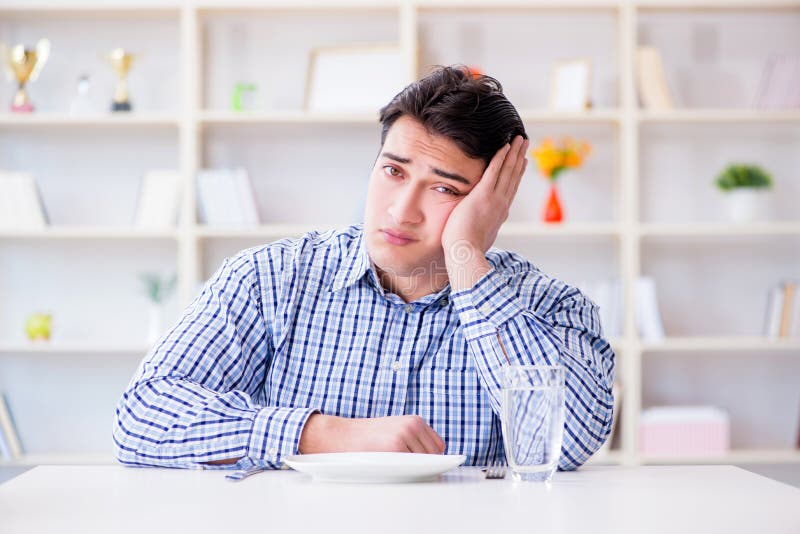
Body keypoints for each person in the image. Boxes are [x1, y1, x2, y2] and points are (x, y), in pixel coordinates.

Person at [113, 66, 615, 472]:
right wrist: (326, 434)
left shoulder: (551, 308)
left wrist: (465, 256)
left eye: (444, 189)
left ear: (492, 200)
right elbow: (141, 417)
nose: (402, 210)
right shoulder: (270, 279)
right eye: (393, 171)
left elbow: (567, 444)